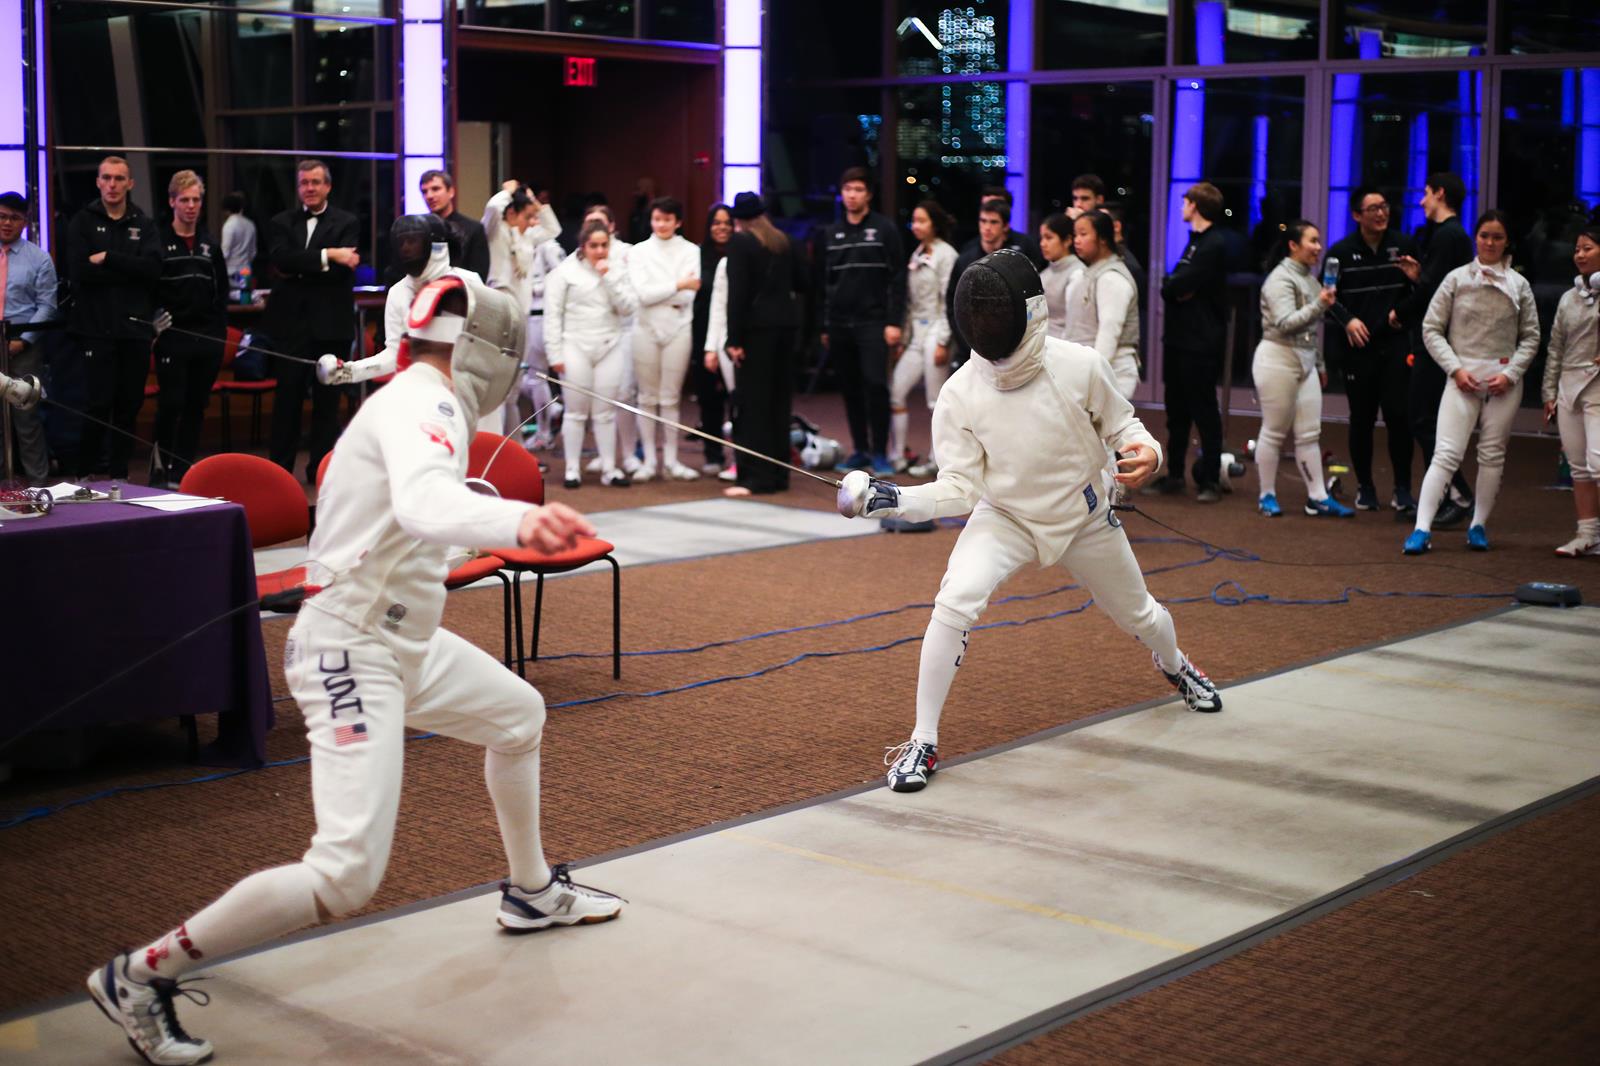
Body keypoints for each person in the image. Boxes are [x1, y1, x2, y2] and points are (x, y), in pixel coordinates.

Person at [87, 271, 622, 1066]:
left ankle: (532, 890)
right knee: (344, 875)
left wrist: (490, 520)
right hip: (351, 649)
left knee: (518, 715)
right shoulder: (425, 401)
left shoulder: (410, 393)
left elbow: (416, 514)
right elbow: (424, 506)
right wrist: (520, 518)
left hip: (401, 642)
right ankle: (139, 973)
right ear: (484, 354)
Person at [836, 249, 1221, 794]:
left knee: (1141, 615)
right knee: (955, 599)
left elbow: (1125, 425)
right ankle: (923, 738)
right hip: (1007, 517)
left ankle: (1176, 664)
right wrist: (892, 499)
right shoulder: (960, 393)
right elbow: (959, 490)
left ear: (1031, 312)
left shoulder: (1079, 365)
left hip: (1084, 515)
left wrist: (1148, 453)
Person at [1404, 210, 1541, 555]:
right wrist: (1455, 369)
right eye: (1484, 236)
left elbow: (1530, 337)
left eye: (1497, 237)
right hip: (1462, 377)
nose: (1490, 243)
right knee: (1446, 453)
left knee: (1492, 455)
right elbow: (1431, 328)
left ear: (1507, 241)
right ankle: (1421, 528)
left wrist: (1510, 375)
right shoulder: (1455, 279)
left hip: (1503, 381)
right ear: (1475, 238)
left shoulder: (1519, 285)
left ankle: (1478, 525)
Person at [1323, 184, 1420, 514]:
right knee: (1361, 420)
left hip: (1395, 346)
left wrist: (1404, 307)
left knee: (1399, 418)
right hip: (1358, 348)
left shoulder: (1404, 246)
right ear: (1356, 215)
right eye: (1373, 208)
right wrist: (1348, 321)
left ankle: (1403, 489)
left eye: (1384, 207)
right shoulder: (1340, 252)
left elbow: (1420, 291)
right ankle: (1365, 487)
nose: (1381, 213)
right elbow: (1328, 298)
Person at [65, 155, 163, 479]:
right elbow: (79, 272)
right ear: (97, 181)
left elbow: (152, 270)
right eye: (106, 178)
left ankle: (119, 475)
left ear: (130, 184)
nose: (112, 184)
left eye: (119, 178)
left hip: (134, 331)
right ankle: (83, 474)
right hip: (95, 330)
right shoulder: (82, 221)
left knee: (128, 407)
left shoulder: (143, 223)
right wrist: (127, 269)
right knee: (97, 406)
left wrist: (107, 258)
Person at [264, 159, 360, 483]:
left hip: (331, 327)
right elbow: (280, 259)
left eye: (316, 182)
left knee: (327, 406)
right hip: (290, 326)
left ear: (328, 186)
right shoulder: (281, 222)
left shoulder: (347, 222)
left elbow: (340, 273)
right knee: (286, 402)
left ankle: (321, 472)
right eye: (304, 183)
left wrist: (300, 266)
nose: (310, 188)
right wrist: (329, 255)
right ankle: (278, 474)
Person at [1251, 220, 1352, 518]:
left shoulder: (1309, 279)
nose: (1318, 247)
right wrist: (1321, 305)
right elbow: (1285, 323)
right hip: (1276, 359)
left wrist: (1319, 363)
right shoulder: (1279, 279)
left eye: (1319, 241)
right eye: (1312, 241)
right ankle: (1266, 495)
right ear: (1293, 246)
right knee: (1273, 431)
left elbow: (1309, 329)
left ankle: (1318, 497)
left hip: (1304, 360)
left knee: (1309, 433)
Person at [1395, 172, 1476, 527]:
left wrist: (1401, 311)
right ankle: (1446, 493)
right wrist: (1420, 277)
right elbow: (1438, 284)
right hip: (1442, 337)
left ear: (1440, 193)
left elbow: (1435, 292)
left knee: (1423, 419)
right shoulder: (1451, 236)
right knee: (1428, 419)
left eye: (1426, 193)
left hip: (1437, 339)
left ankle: (1456, 493)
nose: (1421, 200)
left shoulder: (1448, 235)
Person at [819, 166, 906, 474]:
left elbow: (898, 279)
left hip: (874, 322)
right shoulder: (831, 234)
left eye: (857, 189)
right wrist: (824, 325)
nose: (851, 195)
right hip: (840, 324)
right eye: (847, 190)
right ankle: (860, 450)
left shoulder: (885, 230)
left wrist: (894, 321)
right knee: (850, 387)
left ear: (868, 194)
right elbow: (823, 283)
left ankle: (880, 452)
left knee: (875, 385)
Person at [545, 219, 638, 488]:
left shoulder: (617, 269)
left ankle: (609, 468)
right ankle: (572, 469)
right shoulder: (564, 272)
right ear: (583, 246)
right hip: (574, 345)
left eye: (604, 245)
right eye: (594, 246)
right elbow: (553, 316)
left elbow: (628, 308)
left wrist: (608, 276)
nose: (599, 251)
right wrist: (555, 356)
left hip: (609, 345)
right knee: (575, 411)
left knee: (605, 412)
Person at [721, 192, 803, 497]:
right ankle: (780, 474)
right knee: (779, 403)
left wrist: (734, 338)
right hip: (785, 328)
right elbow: (803, 284)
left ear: (738, 219)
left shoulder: (741, 243)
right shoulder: (784, 241)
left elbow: (737, 294)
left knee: (753, 405)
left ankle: (755, 477)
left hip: (756, 332)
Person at [151, 171, 229, 486]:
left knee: (196, 406)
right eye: (184, 200)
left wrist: (219, 334)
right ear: (172, 202)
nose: (191, 206)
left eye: (196, 199)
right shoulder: (157, 242)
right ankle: (159, 467)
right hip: (172, 337)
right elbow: (149, 288)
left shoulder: (210, 244)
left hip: (207, 339)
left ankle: (180, 470)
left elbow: (221, 293)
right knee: (171, 403)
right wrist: (154, 321)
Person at [1153, 182, 1228, 501]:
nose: (1182, 206)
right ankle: (1174, 475)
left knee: (1204, 412)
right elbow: (1172, 288)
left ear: (1195, 205)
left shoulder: (1213, 244)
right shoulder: (1195, 243)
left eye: (1185, 202)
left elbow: (1177, 285)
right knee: (1176, 412)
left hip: (1200, 341)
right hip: (1179, 339)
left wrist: (1174, 287)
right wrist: (1174, 287)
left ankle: (1209, 480)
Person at [480, 180, 563, 442]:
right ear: (512, 213)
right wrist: (509, 192)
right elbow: (494, 208)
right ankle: (491, 446)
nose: (532, 221)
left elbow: (553, 228)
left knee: (513, 390)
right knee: (496, 387)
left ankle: (514, 450)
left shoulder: (528, 236)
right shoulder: (496, 232)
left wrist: (534, 202)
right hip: (499, 310)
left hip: (521, 316)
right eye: (527, 216)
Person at [628, 195, 702, 480]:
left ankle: (671, 460)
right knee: (647, 397)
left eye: (667, 220)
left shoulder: (690, 250)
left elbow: (689, 293)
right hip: (645, 326)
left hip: (679, 326)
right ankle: (648, 460)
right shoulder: (639, 252)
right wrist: (678, 283)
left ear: (678, 222)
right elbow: (643, 295)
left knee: (670, 398)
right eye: (657, 219)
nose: (661, 224)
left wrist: (676, 289)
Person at [889, 199, 957, 475]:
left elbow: (947, 300)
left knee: (935, 400)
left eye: (922, 221)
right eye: (914, 221)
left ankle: (936, 459)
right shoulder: (916, 254)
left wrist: (943, 340)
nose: (916, 226)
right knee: (896, 392)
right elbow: (910, 302)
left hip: (937, 331)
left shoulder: (946, 254)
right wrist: (904, 338)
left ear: (934, 224)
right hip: (916, 333)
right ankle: (898, 456)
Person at [1545, 224, 1600, 557]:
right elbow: (1556, 347)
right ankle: (1587, 534)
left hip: (1598, 386)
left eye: (1588, 248)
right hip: (1568, 387)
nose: (1580, 254)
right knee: (1578, 465)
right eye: (1577, 248)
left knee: (1599, 461)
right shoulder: (1569, 298)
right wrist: (1549, 392)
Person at [579, 203, 643, 477]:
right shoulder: (578, 258)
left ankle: (628, 453)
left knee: (624, 393)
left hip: (625, 331)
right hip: (591, 333)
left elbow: (631, 297)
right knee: (597, 395)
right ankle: (605, 454)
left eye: (600, 222)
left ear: (612, 227)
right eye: (589, 221)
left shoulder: (627, 254)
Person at [0, 191, 58, 485]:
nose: (7, 222)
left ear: (25, 221)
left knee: (26, 418)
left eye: (14, 217)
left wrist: (23, 340)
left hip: (24, 345)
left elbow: (48, 305)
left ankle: (37, 486)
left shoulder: (39, 258)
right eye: (2, 216)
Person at [948, 197, 1037, 368]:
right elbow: (953, 303)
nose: (987, 227)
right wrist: (966, 340)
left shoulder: (1018, 257)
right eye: (983, 221)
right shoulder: (965, 258)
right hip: (970, 344)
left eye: (993, 222)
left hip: (1014, 343)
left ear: (1005, 226)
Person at [1062, 210, 1140, 399]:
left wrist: (1094, 377)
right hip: (1084, 370)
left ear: (1103, 239)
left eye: (1083, 234)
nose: (1077, 241)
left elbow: (1109, 332)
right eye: (1075, 235)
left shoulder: (1112, 278)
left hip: (1112, 372)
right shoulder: (1082, 275)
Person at [690, 203, 734, 474]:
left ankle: (740, 456)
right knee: (709, 398)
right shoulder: (697, 256)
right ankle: (713, 453)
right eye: (716, 223)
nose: (722, 227)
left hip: (733, 334)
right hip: (702, 334)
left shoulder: (742, 253)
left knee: (736, 398)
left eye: (727, 222)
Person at [419, 169, 490, 278]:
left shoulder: (474, 229)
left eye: (435, 189)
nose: (429, 196)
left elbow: (479, 275)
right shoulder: (420, 230)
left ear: (451, 192)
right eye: (424, 192)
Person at [1037, 212, 1078, 340]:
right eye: (1041, 238)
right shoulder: (1043, 275)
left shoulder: (1078, 274)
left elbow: (1075, 324)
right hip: (1043, 346)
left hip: (1066, 347)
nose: (1043, 244)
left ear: (1067, 240)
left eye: (1049, 238)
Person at [220, 191, 256, 282]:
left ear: (227, 210)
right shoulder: (250, 224)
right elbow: (253, 252)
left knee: (232, 295)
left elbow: (225, 253)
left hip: (231, 273)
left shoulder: (229, 225)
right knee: (245, 295)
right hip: (246, 271)